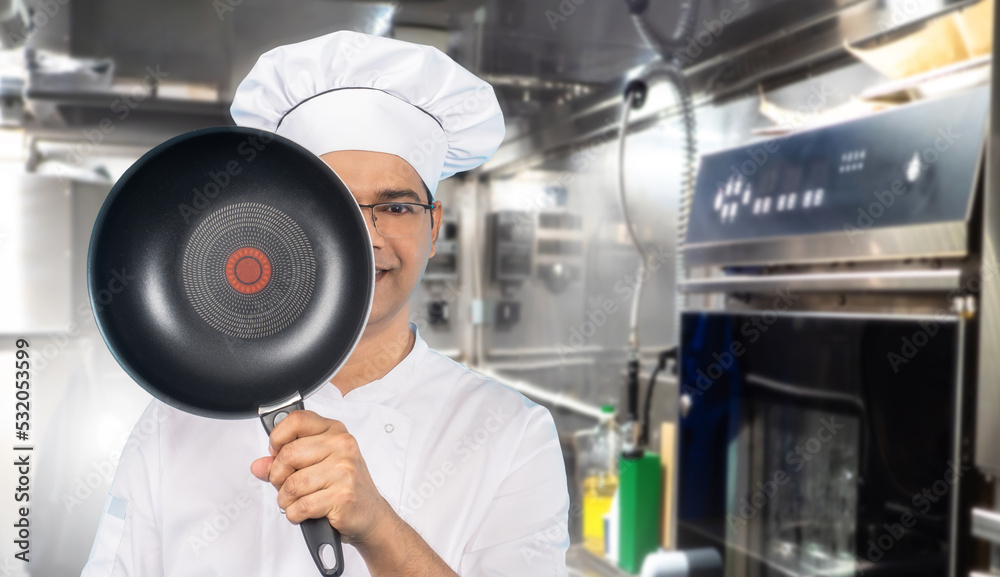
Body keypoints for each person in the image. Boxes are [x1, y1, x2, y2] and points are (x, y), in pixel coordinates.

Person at [80, 31, 570, 576]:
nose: (366, 237)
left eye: (398, 207)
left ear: (434, 228)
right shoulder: (175, 423)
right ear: (280, 220)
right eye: (335, 206)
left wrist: (379, 528)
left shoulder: (510, 432)